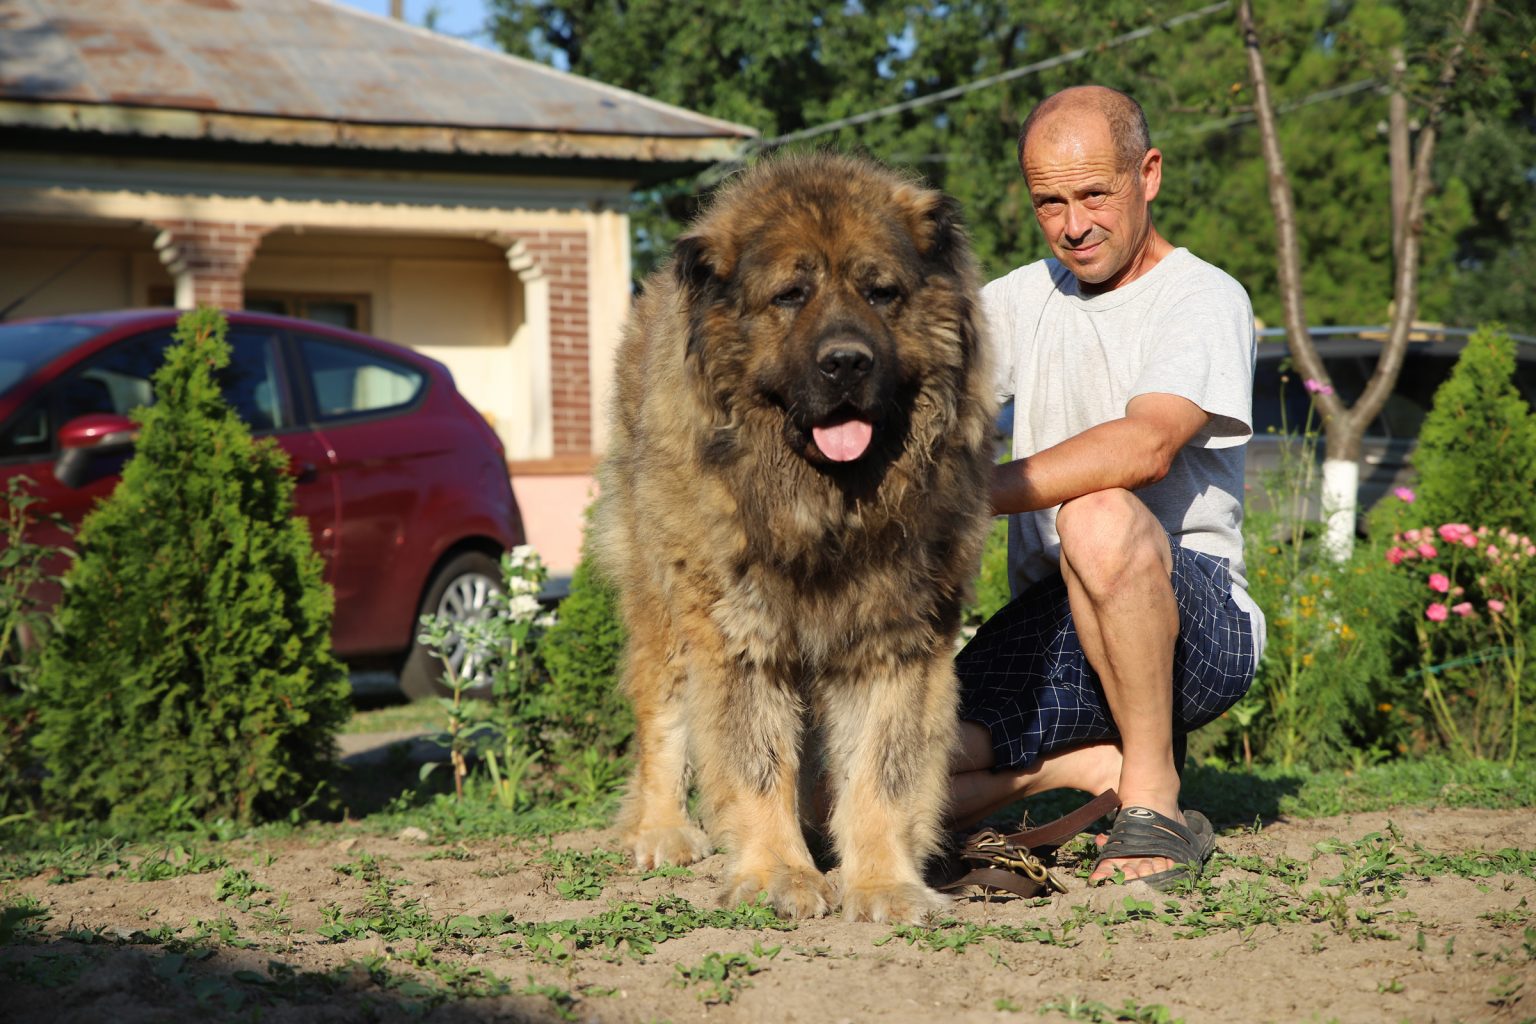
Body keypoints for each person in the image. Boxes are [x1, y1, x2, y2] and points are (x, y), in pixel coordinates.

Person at [948, 85, 1266, 889]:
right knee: (834, 779)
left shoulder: (1203, 297)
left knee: (1094, 512)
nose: (1073, 225)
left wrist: (968, 492)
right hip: (1053, 622)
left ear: (1148, 174)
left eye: (1094, 194)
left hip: (1194, 618)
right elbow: (926, 382)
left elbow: (1147, 446)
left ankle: (1153, 797)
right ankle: (1090, 770)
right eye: (1049, 203)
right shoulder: (1022, 298)